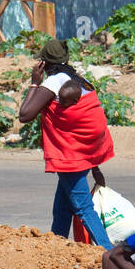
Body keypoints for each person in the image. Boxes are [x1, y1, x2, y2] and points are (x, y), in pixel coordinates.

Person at [18, 38, 115, 248]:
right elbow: (79, 124)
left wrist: (35, 82)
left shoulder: (53, 82)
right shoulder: (76, 79)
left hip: (70, 155)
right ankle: (56, 247)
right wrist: (94, 166)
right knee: (62, 209)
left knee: (83, 208)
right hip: (82, 152)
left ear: (44, 63)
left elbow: (25, 115)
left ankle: (110, 254)